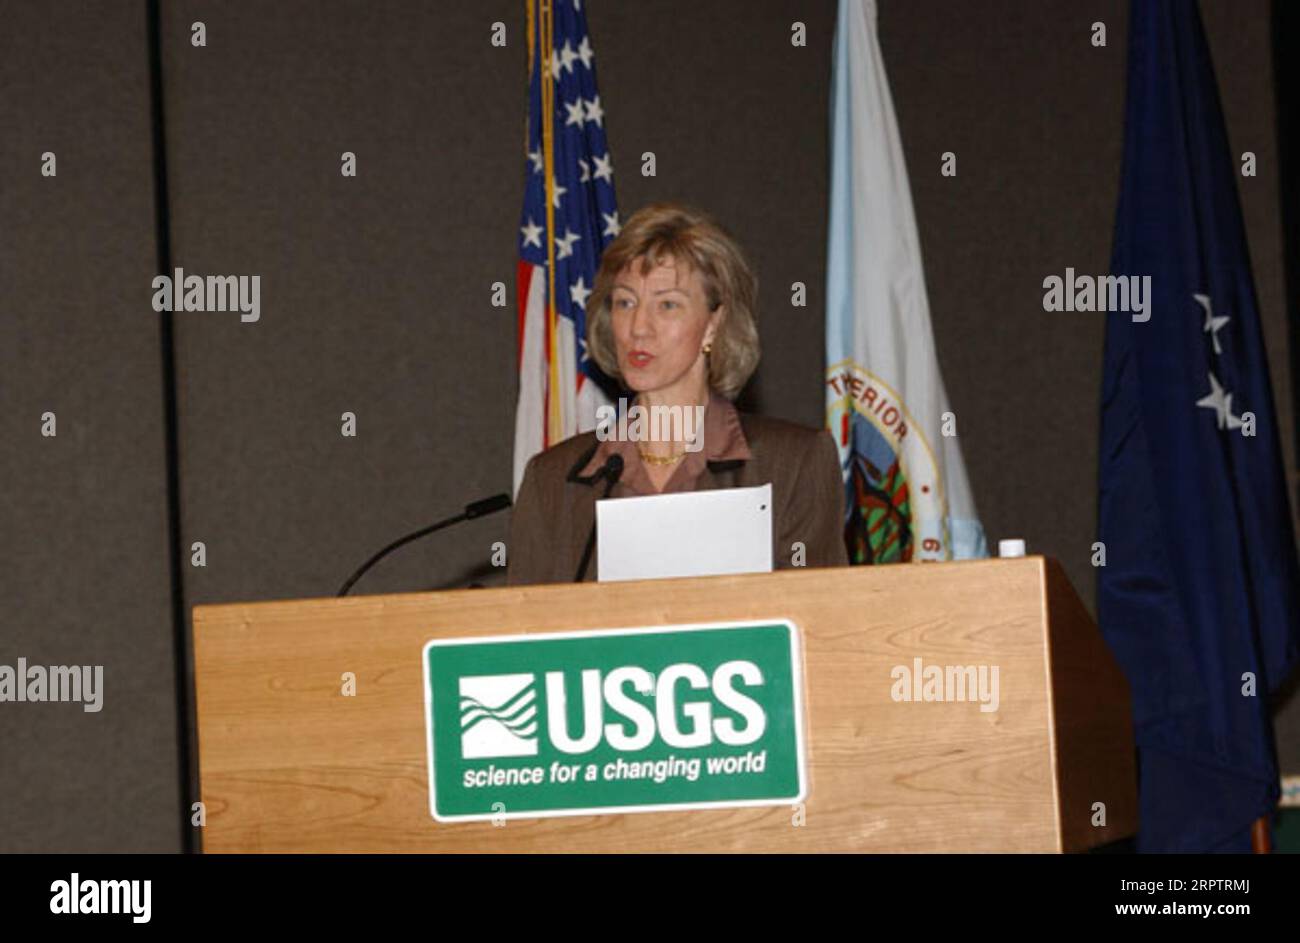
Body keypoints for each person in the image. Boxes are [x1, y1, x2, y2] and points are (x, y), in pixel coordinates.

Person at [507, 201, 847, 585]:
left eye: (667, 305)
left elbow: (819, 623)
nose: (639, 327)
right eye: (625, 302)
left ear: (713, 325)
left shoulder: (794, 464)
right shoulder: (553, 481)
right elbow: (524, 634)